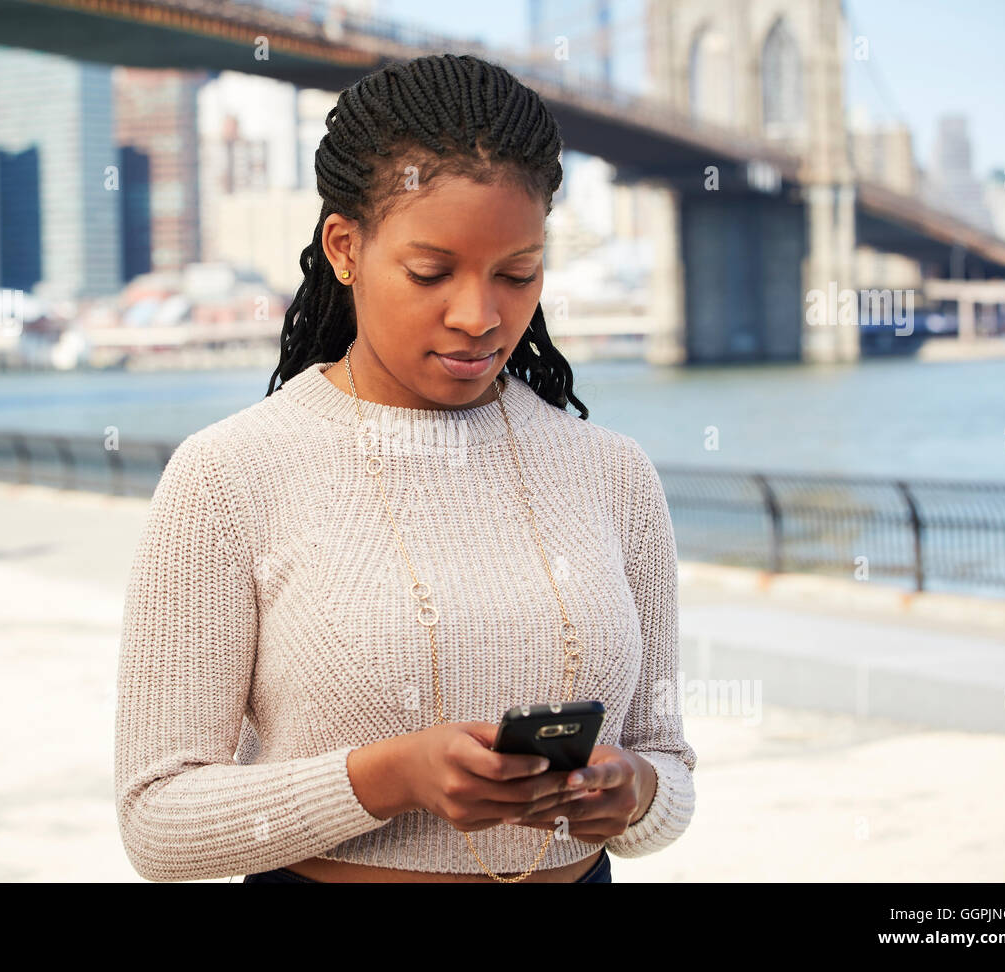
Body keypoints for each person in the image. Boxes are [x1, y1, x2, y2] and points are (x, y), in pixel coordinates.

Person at [114, 52, 696, 884]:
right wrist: (387, 778)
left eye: (517, 274)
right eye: (431, 273)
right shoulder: (229, 475)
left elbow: (668, 761)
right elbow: (157, 824)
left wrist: (633, 791)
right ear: (345, 247)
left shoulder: (613, 473)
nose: (479, 316)